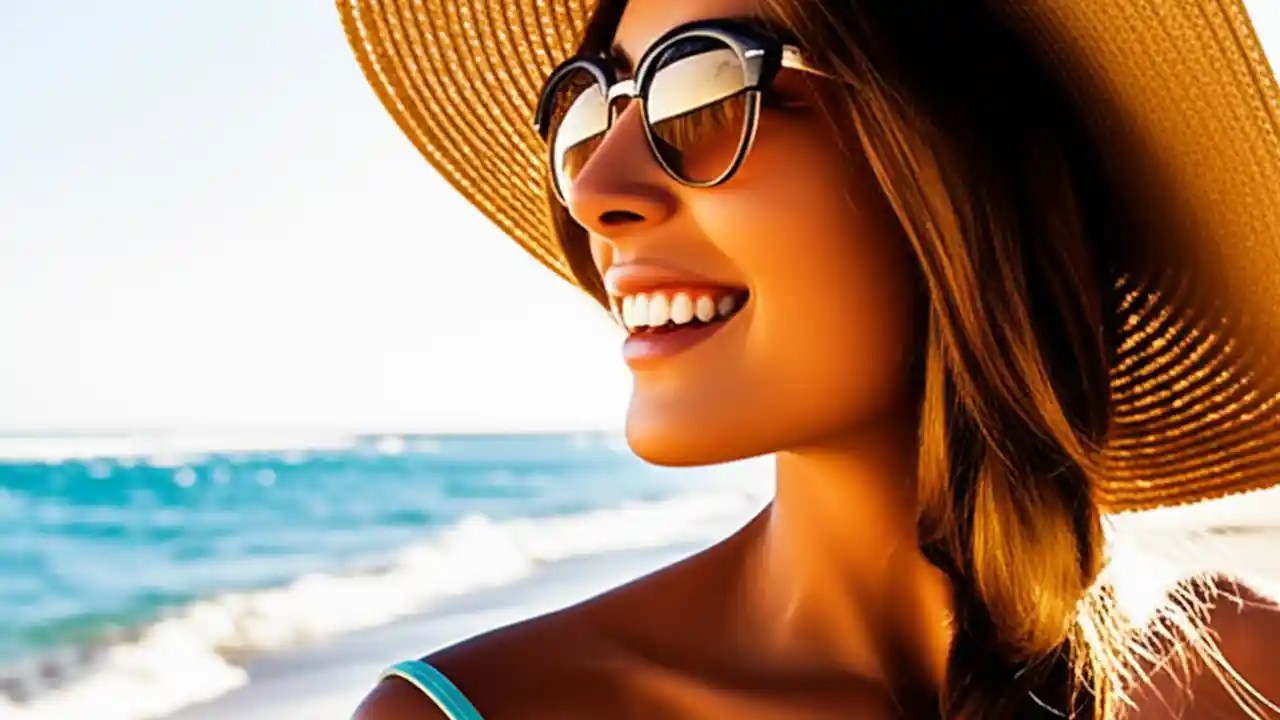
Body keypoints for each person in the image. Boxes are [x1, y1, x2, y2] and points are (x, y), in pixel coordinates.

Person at [335, 0, 1280, 716]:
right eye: (589, 112)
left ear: (955, 161)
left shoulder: (1241, 678)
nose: (593, 188)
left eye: (701, 89)